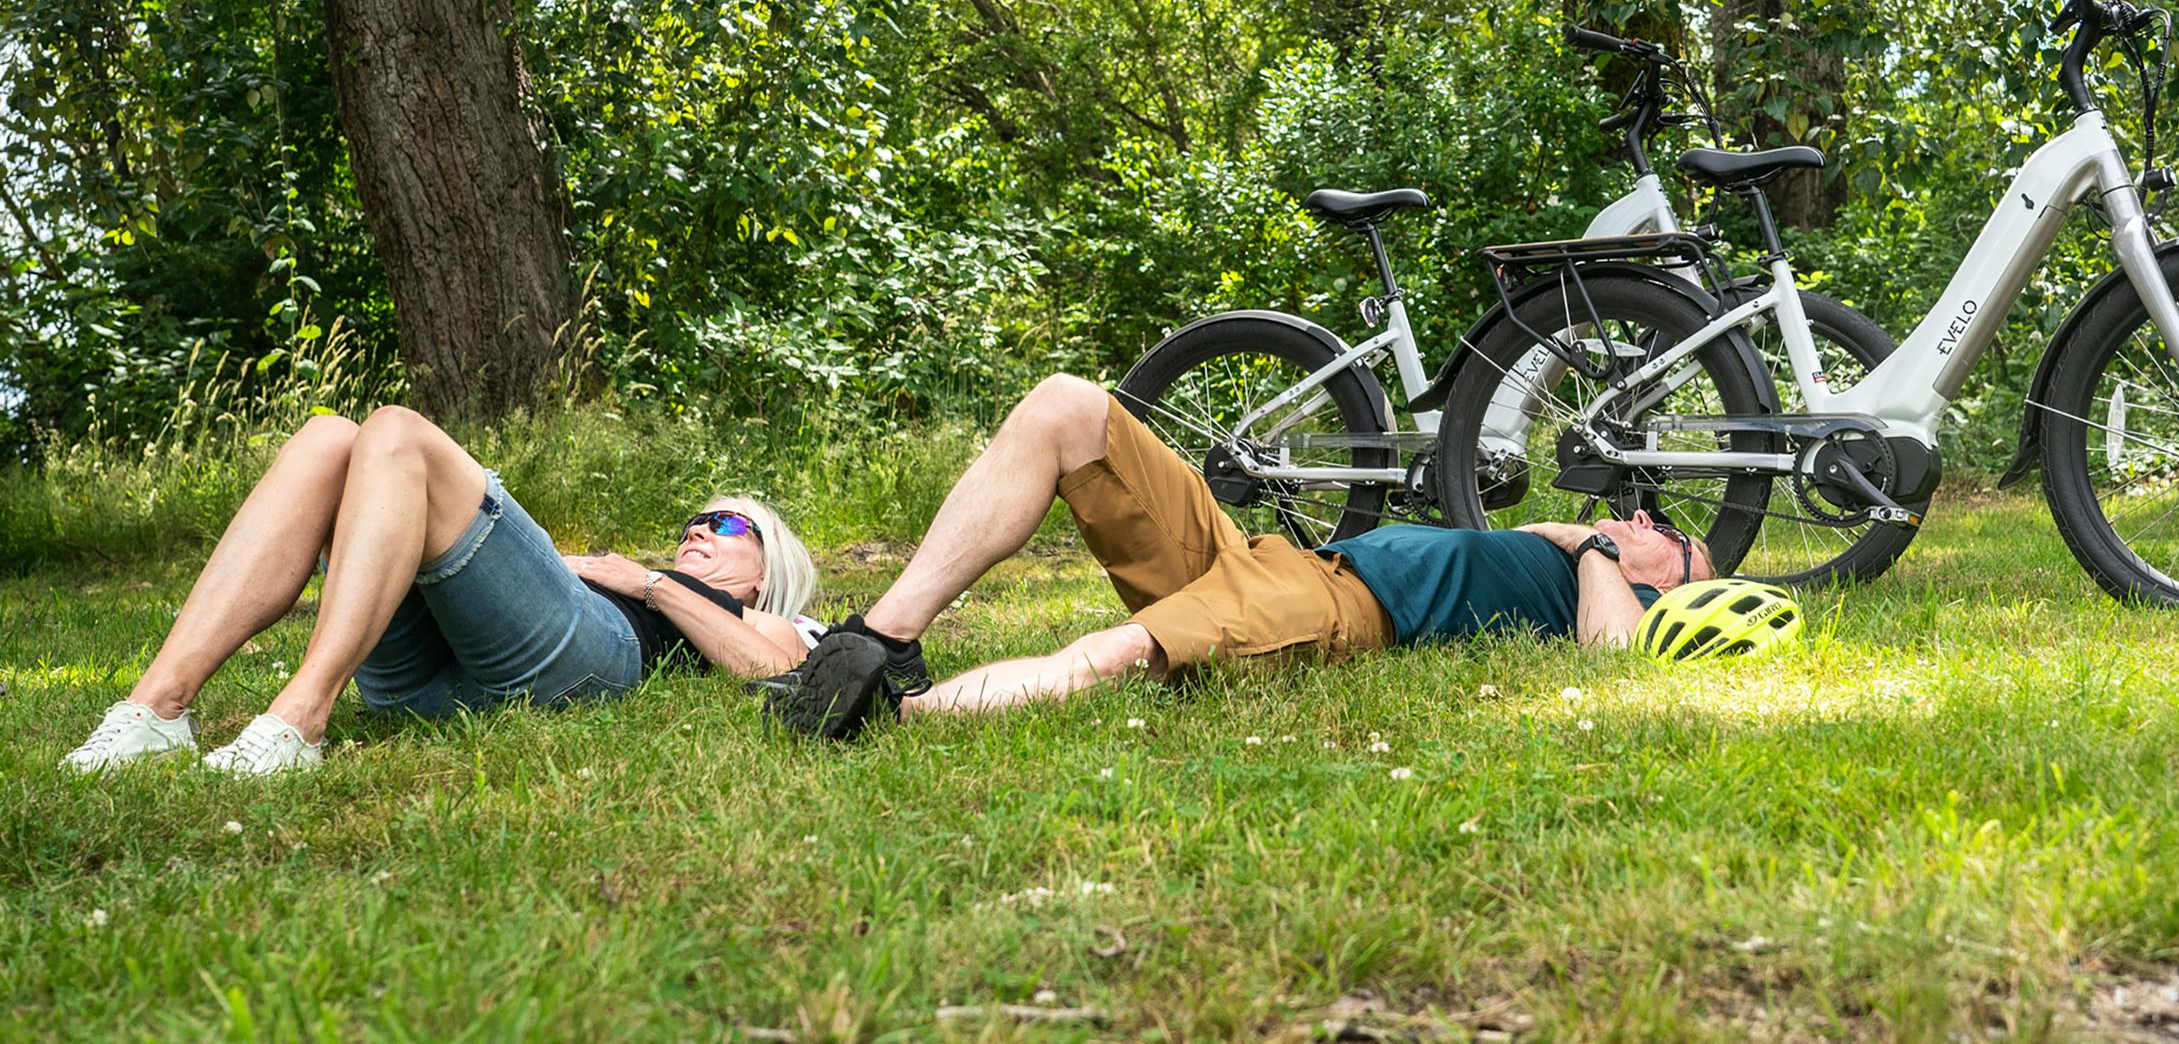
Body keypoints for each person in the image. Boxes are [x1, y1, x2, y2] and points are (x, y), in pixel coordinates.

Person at [761, 374, 1712, 737]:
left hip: (1342, 610)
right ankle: (883, 636)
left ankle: (890, 715)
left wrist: (1602, 548)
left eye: (1666, 535)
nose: (1639, 519)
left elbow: (1617, 660)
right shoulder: (1563, 550)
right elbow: (1557, 535)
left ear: (1669, 583)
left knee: (1122, 650)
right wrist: (1579, 535)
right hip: (1269, 556)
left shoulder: (1604, 592)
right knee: (1067, 407)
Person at [61, 406, 820, 776]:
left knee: (395, 429)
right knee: (329, 437)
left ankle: (298, 722)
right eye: (695, 519)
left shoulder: (771, 617)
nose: (698, 527)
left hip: (581, 664)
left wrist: (651, 583)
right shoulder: (619, 576)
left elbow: (770, 671)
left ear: (764, 569)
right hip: (428, 685)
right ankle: (155, 709)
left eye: (723, 524)